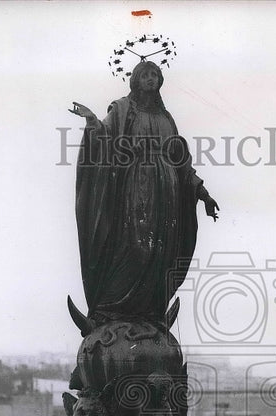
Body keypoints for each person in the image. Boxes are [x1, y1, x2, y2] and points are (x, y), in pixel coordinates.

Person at [69, 60, 219, 324]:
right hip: (136, 185)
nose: (150, 79)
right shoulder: (124, 109)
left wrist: (202, 193)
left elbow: (181, 161)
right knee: (136, 246)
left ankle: (150, 313)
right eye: (145, 75)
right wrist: (92, 120)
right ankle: (113, 308)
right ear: (136, 80)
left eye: (154, 75)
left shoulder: (166, 118)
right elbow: (106, 135)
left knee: (161, 250)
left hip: (167, 192)